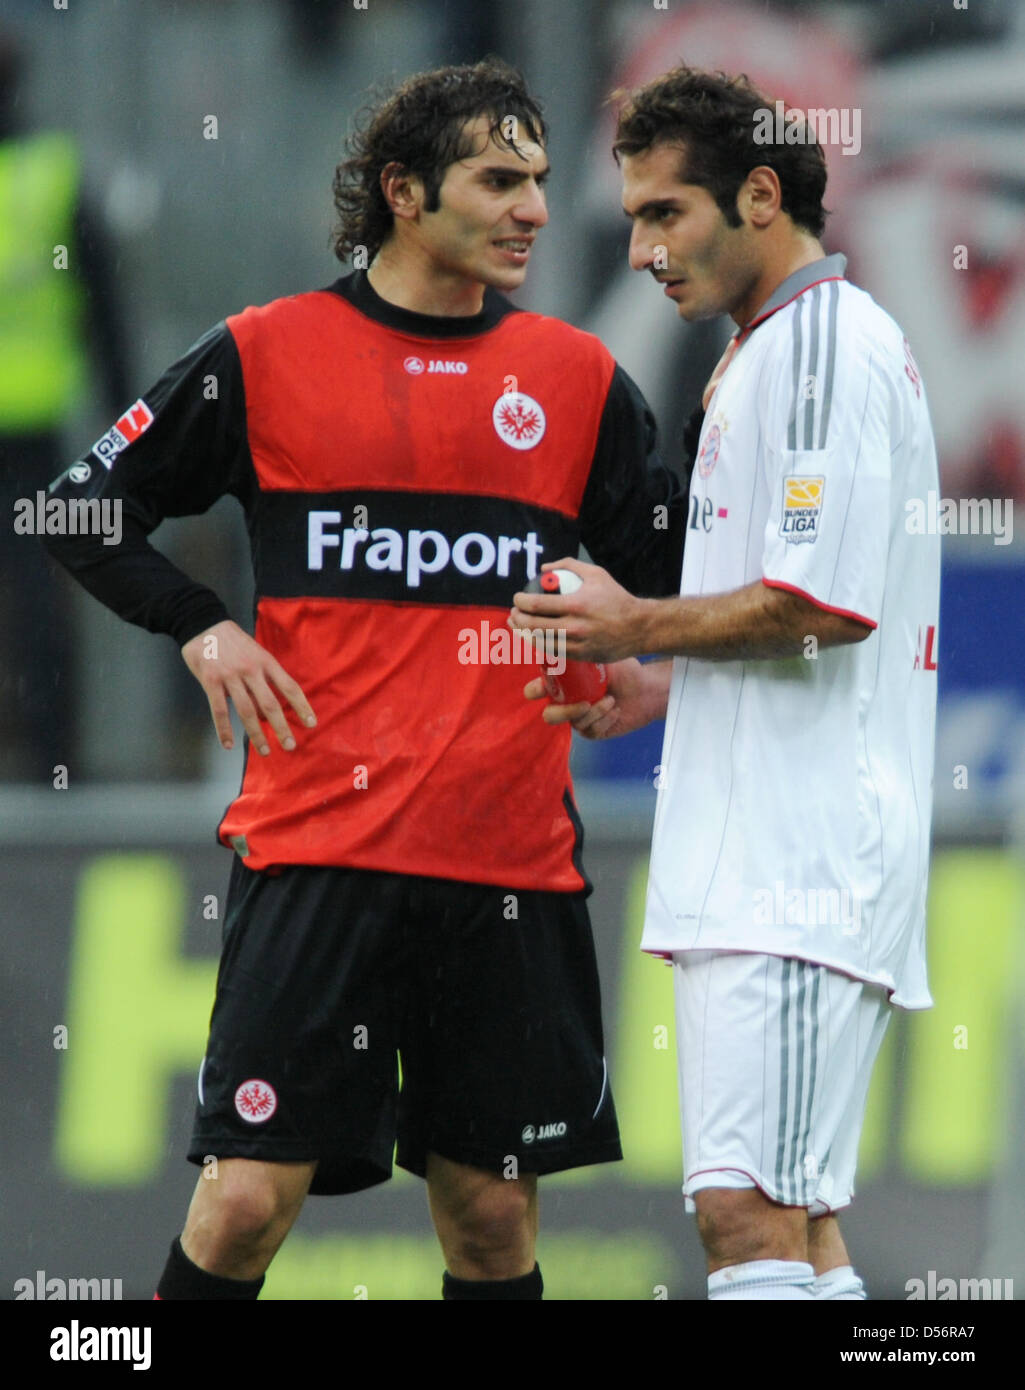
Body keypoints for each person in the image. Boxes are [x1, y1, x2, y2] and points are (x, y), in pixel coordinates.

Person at [42, 59, 685, 1301]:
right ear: (401, 191)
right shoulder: (265, 351)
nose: (534, 211)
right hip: (316, 857)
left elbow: (667, 580)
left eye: (542, 182)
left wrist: (646, 665)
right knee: (241, 1202)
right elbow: (73, 510)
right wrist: (198, 623)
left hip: (506, 869)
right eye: (498, 180)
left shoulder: (578, 379)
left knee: (492, 1221)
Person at [512, 65, 939, 1301]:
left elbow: (819, 603)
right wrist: (657, 681)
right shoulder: (775, 350)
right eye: (634, 216)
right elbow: (793, 609)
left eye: (664, 214)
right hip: (767, 862)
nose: (639, 247)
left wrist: (629, 620)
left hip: (798, 867)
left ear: (758, 196)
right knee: (790, 1226)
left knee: (742, 1216)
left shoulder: (814, 352)